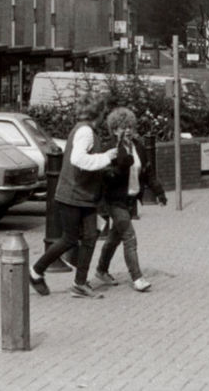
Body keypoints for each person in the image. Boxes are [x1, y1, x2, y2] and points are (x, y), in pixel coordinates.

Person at [29, 93, 118, 299]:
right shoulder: (86, 132)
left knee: (90, 237)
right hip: (73, 194)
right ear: (99, 113)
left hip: (84, 195)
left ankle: (80, 283)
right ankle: (36, 271)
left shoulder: (84, 129)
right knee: (70, 238)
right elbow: (78, 159)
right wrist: (106, 157)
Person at [94, 107, 166, 293]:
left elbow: (148, 172)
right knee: (129, 237)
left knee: (114, 238)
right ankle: (137, 278)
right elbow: (105, 177)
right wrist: (119, 164)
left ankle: (101, 270)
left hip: (130, 200)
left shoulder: (138, 147)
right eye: (121, 127)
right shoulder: (109, 149)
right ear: (114, 130)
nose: (126, 130)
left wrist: (159, 192)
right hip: (114, 201)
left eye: (129, 126)